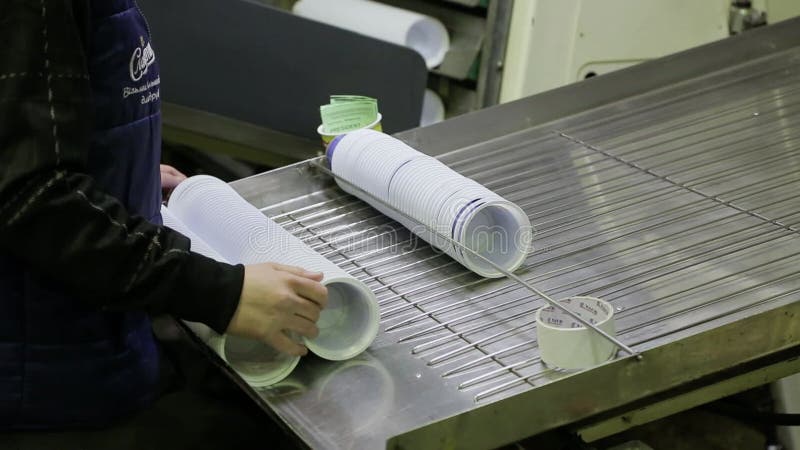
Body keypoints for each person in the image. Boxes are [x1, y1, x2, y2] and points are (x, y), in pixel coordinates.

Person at [0, 0, 327, 443]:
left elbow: (28, 130)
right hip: (49, 378)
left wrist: (124, 170)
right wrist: (221, 293)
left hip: (98, 345)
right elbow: (32, 197)